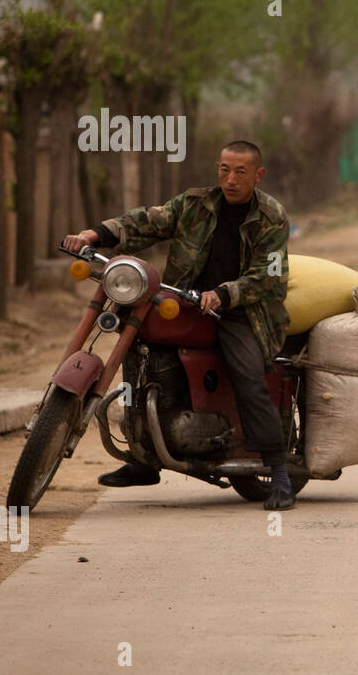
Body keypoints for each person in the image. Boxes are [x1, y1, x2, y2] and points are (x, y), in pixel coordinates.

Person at [62, 140, 297, 509]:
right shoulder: (195, 203)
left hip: (242, 311)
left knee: (249, 375)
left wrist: (223, 293)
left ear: (258, 174)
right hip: (185, 303)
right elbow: (147, 221)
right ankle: (143, 458)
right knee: (137, 347)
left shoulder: (271, 216)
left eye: (240, 172)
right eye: (224, 169)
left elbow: (268, 277)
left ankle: (279, 472)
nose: (230, 179)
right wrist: (94, 234)